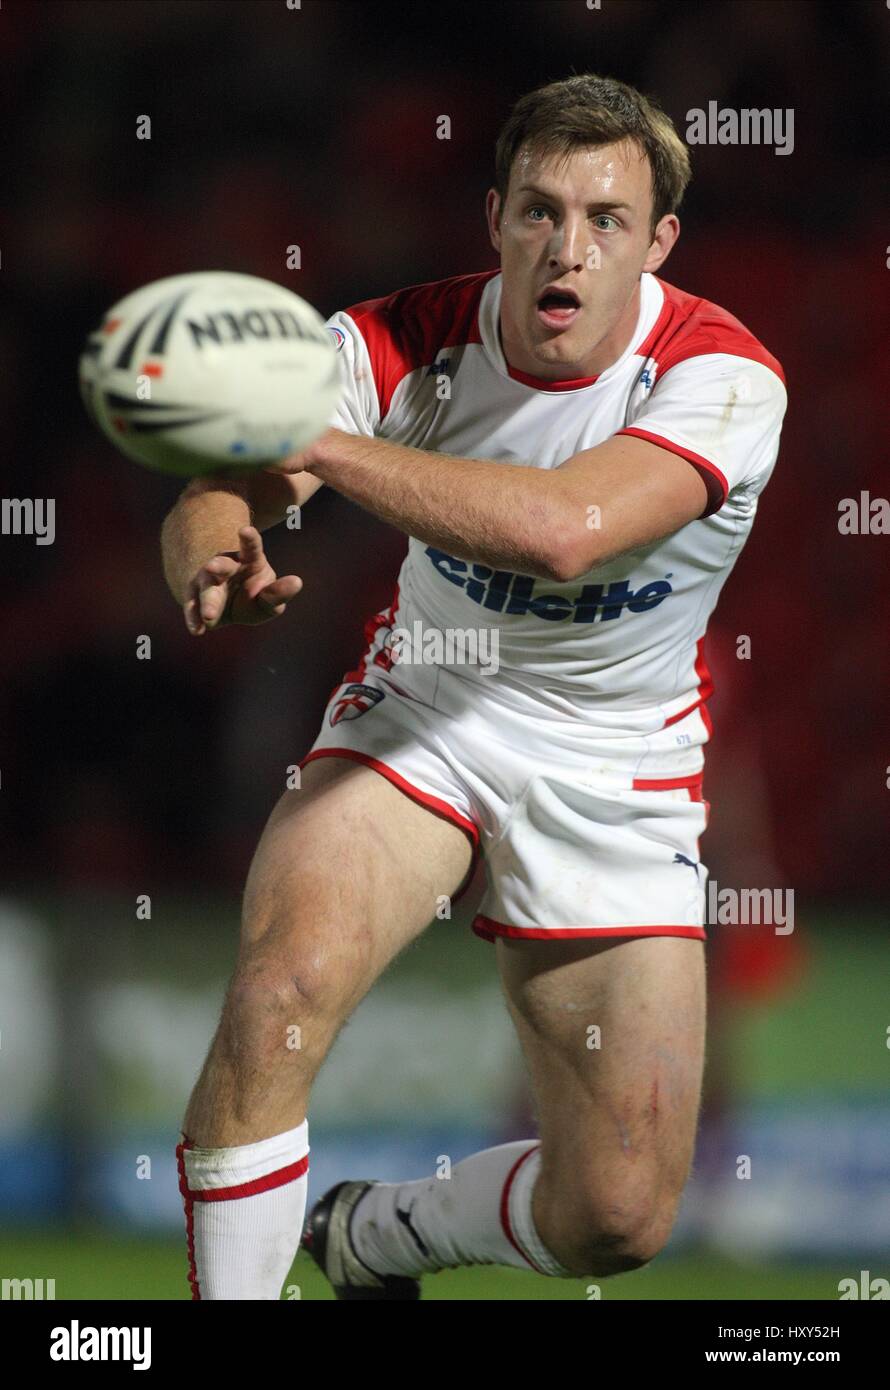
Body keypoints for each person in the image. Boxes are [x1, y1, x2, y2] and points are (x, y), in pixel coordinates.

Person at [161, 72, 786, 1300]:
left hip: (618, 765)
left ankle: (374, 1237)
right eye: (539, 211)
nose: (567, 247)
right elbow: (226, 483)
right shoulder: (397, 337)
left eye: (606, 219)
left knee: (615, 1213)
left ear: (656, 241)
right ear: (493, 215)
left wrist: (329, 448)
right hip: (428, 716)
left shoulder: (724, 377)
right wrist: (211, 533)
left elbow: (565, 529)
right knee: (281, 986)